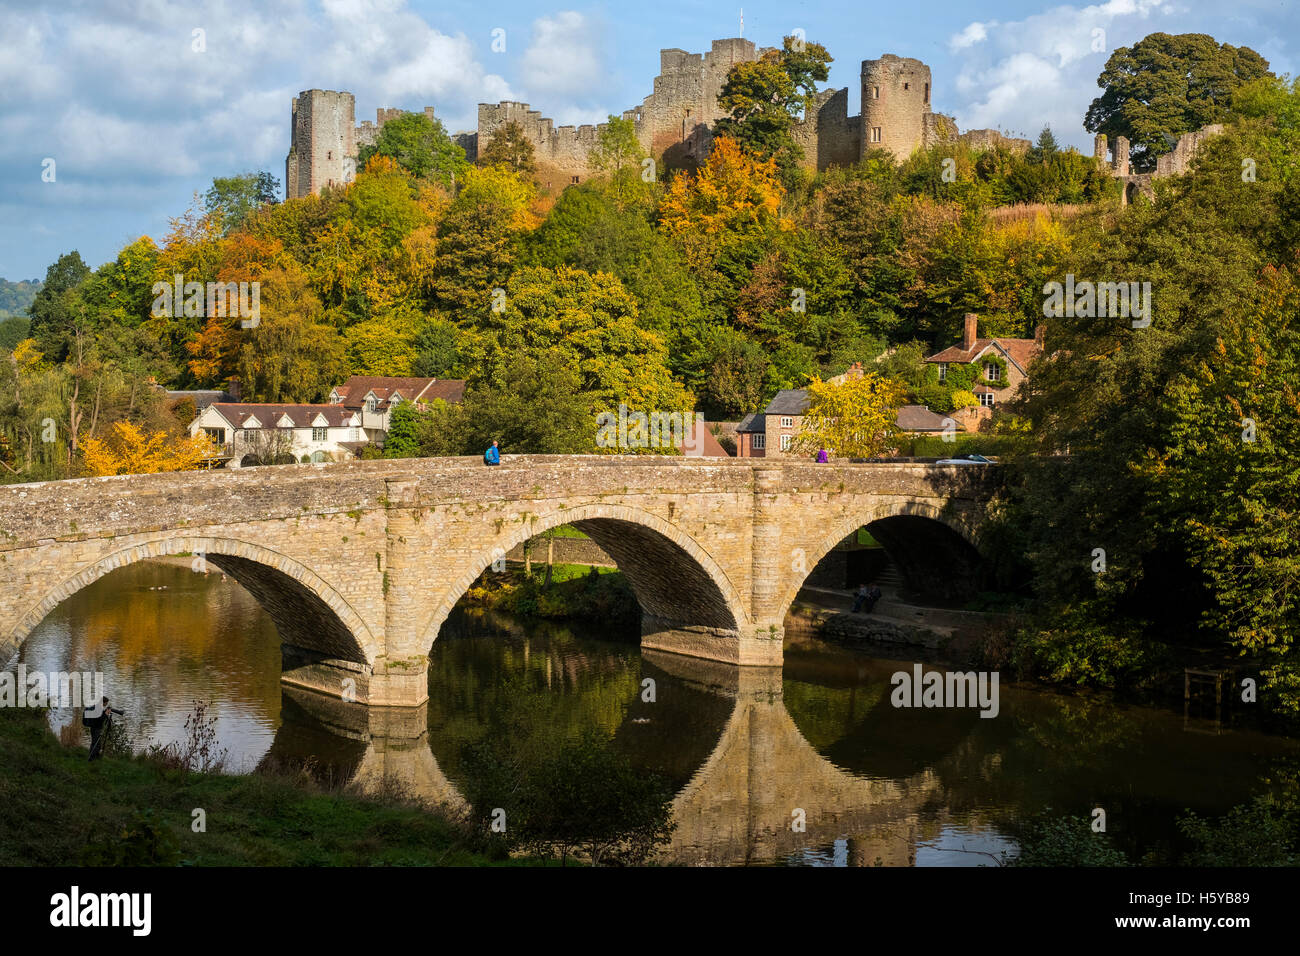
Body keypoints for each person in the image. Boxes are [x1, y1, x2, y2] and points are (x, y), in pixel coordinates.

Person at [84, 696, 124, 761]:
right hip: (96, 728)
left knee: (95, 743)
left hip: (93, 728)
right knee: (96, 743)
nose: (106, 704)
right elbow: (100, 719)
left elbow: (98, 717)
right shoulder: (98, 708)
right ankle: (91, 758)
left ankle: (95, 756)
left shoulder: (97, 706)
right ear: (103, 702)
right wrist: (106, 714)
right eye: (106, 703)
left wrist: (105, 713)